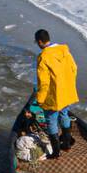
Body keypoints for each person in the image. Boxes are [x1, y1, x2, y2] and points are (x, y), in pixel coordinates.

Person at [30, 29, 79, 158]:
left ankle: (56, 152)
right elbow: (74, 68)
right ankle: (67, 144)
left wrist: (40, 99)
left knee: (51, 121)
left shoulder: (43, 57)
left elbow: (44, 82)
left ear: (40, 42)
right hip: (66, 92)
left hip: (53, 96)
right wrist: (67, 85)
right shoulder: (64, 51)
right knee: (64, 114)